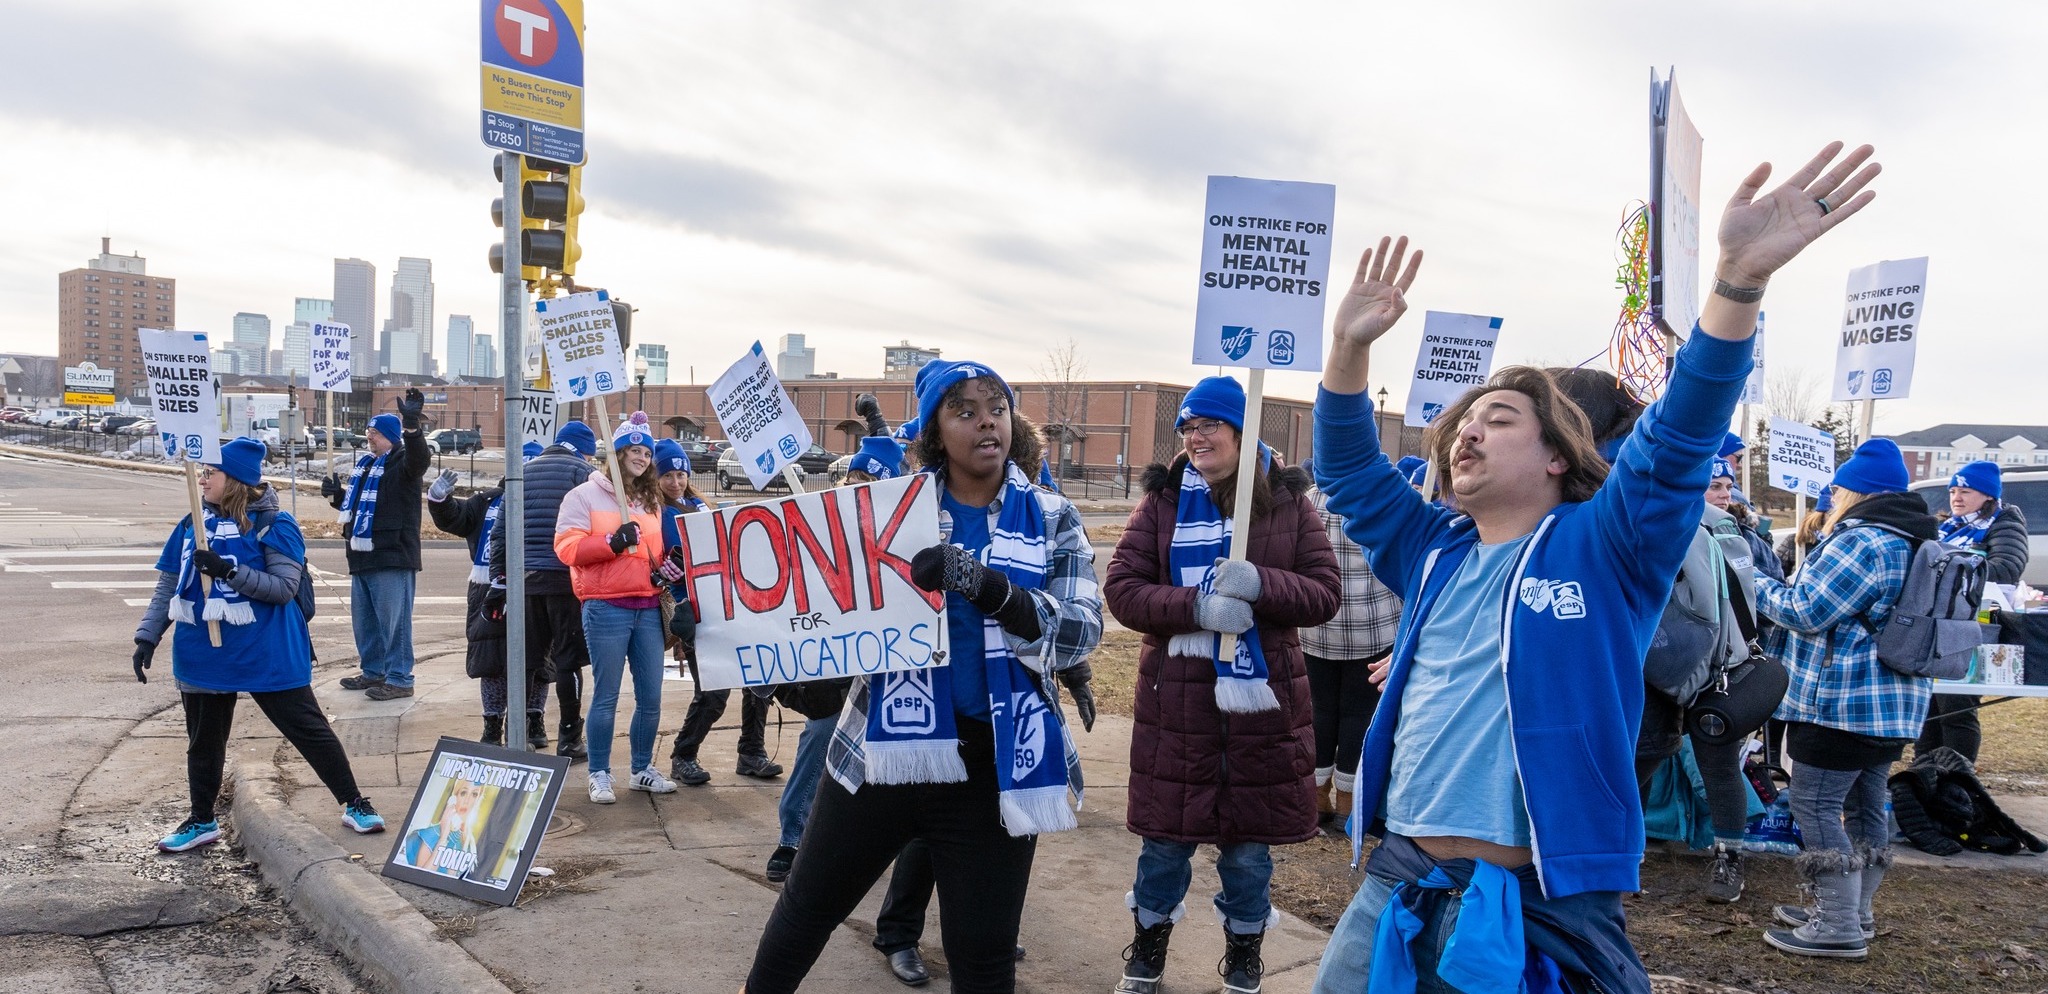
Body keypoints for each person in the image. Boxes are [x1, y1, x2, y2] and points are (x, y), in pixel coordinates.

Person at [1307, 141, 1882, 994]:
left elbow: (1677, 439)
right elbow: (1350, 472)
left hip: (1544, 901)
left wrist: (1737, 283)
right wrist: (1347, 350)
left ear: (1555, 456)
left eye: (1499, 419)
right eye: (1464, 422)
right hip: (1398, 883)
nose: (1469, 431)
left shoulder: (1608, 546)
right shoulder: (1434, 550)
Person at [744, 360, 1102, 994]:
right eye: (965, 411)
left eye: (997, 407)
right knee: (805, 910)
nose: (986, 422)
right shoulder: (889, 512)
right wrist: (727, 624)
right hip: (881, 752)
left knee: (984, 958)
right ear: (936, 432)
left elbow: (1082, 629)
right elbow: (811, 599)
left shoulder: (1052, 516)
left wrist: (993, 590)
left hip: (995, 767)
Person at [1102, 375, 1339, 994]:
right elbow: (1122, 589)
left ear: (1243, 430)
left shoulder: (1287, 503)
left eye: (1209, 424)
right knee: (1163, 847)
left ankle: (1242, 960)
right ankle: (1146, 957)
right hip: (1177, 708)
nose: (1195, 436)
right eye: (1188, 425)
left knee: (1249, 855)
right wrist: (1196, 607)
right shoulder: (1162, 502)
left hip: (1262, 711)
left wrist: (1260, 584)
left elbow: (1323, 592)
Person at [136, 438, 387, 851]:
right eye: (202, 472)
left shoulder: (276, 524)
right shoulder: (191, 524)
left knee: (309, 730)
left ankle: (354, 802)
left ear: (235, 479)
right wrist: (147, 636)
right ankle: (201, 820)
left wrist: (227, 572)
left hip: (267, 651)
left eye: (210, 473)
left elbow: (283, 588)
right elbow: (168, 585)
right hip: (204, 652)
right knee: (204, 741)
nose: (202, 480)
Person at [1755, 439, 1931, 959]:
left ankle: (1835, 925)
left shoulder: (1863, 541)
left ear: (1856, 491)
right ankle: (1855, 912)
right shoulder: (1913, 539)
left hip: (1841, 702)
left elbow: (1806, 610)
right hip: (1890, 705)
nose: (1830, 497)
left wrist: (1751, 580)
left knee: (1814, 805)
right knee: (1863, 806)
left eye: (1837, 489)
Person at [554, 412, 679, 804]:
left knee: (651, 697)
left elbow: (652, 555)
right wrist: (611, 542)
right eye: (635, 451)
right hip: (606, 607)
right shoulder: (583, 496)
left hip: (648, 607)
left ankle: (641, 769)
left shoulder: (651, 502)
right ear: (617, 453)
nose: (642, 458)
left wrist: (666, 568)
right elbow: (566, 548)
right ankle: (599, 773)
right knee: (606, 695)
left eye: (647, 453)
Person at [664, 439, 785, 788]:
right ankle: (683, 755)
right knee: (714, 692)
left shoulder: (699, 505)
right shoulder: (658, 514)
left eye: (681, 474)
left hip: (733, 605)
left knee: (759, 679)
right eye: (668, 475)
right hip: (697, 611)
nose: (676, 481)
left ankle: (752, 751)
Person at [493, 422, 599, 758]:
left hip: (524, 579)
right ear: (585, 452)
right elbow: (596, 529)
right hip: (566, 578)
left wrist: (499, 579)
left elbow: (500, 531)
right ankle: (570, 738)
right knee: (568, 661)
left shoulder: (522, 472)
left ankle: (517, 735)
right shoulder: (584, 474)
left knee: (524, 660)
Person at [1300, 478, 1400, 834]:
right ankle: (1348, 802)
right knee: (1360, 715)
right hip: (1373, 624)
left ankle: (1315, 796)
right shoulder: (1380, 493)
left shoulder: (1309, 499)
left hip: (1318, 622)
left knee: (1319, 711)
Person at [429, 456, 549, 750]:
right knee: (490, 660)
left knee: (539, 660)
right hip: (487, 586)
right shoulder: (486, 501)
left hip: (536, 585)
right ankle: (492, 726)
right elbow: (456, 518)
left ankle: (533, 721)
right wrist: (439, 499)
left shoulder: (548, 500)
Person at [1917, 460, 2030, 764]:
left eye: (1965, 491)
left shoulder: (2005, 523)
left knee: (1956, 708)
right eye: (1953, 491)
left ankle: (1957, 777)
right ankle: (1922, 775)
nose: (1956, 497)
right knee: (1929, 708)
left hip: (1974, 629)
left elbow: (2006, 568)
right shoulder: (1946, 526)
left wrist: (1949, 567)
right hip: (1937, 627)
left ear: (1988, 495)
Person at [322, 388, 429, 700]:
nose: (369, 437)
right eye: (368, 432)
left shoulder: (402, 462)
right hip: (361, 556)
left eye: (375, 433)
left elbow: (420, 459)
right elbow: (362, 507)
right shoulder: (366, 466)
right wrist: (337, 496)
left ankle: (400, 679)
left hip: (392, 555)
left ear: (391, 437)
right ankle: (373, 671)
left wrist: (412, 426)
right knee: (366, 623)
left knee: (394, 624)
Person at [1709, 457, 1786, 582]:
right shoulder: (1678, 533)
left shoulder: (1746, 536)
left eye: (1729, 487)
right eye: (1715, 487)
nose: (1726, 494)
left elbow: (1776, 581)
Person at [403, 778, 485, 876]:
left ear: (478, 800)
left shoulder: (470, 843)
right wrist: (443, 838)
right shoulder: (432, 833)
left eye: (474, 794)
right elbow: (421, 876)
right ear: (454, 798)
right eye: (463, 793)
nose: (467, 801)